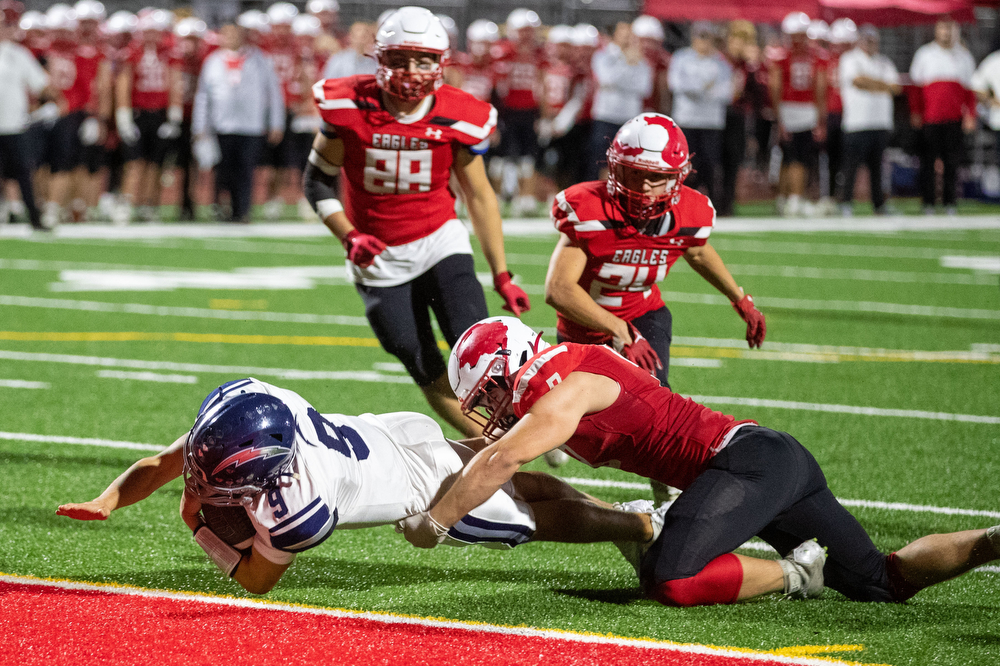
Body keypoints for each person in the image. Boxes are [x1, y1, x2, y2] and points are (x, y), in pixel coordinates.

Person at [402, 316, 1000, 608]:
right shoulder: (561, 378)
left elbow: (503, 460)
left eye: (493, 394)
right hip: (763, 462)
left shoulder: (567, 388)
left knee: (670, 578)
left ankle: (798, 576)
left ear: (512, 369)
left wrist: (434, 523)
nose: (494, 410)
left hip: (747, 465)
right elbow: (506, 458)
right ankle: (994, 540)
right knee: (881, 583)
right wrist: (429, 463)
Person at [57, 378, 660, 595]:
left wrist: (198, 527)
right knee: (510, 476)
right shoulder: (251, 411)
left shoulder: (303, 506)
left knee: (526, 519)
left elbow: (256, 581)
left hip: (421, 484)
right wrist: (108, 498)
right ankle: (627, 512)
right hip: (394, 431)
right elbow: (166, 463)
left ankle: (637, 524)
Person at [303, 7, 530, 440]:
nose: (411, 71)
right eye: (400, 58)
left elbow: (479, 196)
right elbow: (317, 182)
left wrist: (502, 273)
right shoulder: (349, 103)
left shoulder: (458, 113)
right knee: (417, 356)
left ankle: (526, 428)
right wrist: (348, 235)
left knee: (479, 351)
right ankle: (495, 446)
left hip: (439, 240)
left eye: (423, 60)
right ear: (379, 58)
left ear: (441, 63)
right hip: (377, 254)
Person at [544, 112, 764, 496]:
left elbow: (697, 252)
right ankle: (559, 436)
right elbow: (559, 290)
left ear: (678, 177)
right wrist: (618, 331)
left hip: (645, 314)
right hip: (585, 325)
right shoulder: (590, 210)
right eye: (633, 173)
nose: (644, 186)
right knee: (573, 414)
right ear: (615, 169)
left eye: (656, 177)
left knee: (654, 398)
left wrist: (740, 298)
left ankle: (667, 485)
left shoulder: (687, 214)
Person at [192, 21, 284, 223]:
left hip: (251, 125)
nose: (231, 38)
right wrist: (200, 126)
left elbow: (274, 93)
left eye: (235, 34)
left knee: (246, 169)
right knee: (223, 169)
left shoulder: (261, 60)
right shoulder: (213, 61)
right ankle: (221, 207)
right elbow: (203, 97)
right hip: (222, 125)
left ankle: (242, 210)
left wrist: (276, 123)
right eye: (227, 34)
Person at [909, 18, 976, 216]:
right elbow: (915, 89)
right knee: (928, 162)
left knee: (952, 162)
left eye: (950, 29)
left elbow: (970, 91)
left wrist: (970, 115)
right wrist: (916, 112)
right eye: (943, 28)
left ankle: (950, 202)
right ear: (937, 31)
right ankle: (928, 202)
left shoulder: (964, 56)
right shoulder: (925, 54)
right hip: (931, 118)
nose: (946, 33)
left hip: (954, 118)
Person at [768, 12, 827, 218]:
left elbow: (774, 87)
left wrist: (778, 115)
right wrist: (821, 117)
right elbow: (820, 87)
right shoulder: (816, 56)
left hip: (788, 108)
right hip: (802, 109)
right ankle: (794, 199)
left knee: (788, 156)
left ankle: (784, 199)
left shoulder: (781, 55)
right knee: (799, 158)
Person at [668, 21, 733, 204]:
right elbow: (676, 84)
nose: (703, 41)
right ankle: (681, 201)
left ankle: (709, 202)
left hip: (711, 122)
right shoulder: (681, 58)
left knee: (710, 165)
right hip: (686, 120)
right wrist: (705, 88)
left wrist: (696, 88)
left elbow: (726, 92)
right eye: (700, 37)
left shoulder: (721, 62)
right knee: (684, 165)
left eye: (706, 37)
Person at [837, 25, 900, 216]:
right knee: (851, 166)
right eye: (867, 40)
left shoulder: (884, 61)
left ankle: (879, 204)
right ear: (860, 41)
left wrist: (872, 84)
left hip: (880, 122)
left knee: (877, 168)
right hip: (857, 122)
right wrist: (882, 85)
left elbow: (896, 88)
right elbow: (858, 81)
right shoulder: (850, 59)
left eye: (874, 41)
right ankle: (846, 202)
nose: (871, 44)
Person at [0, 4, 52, 230]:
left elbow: (42, 84)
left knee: (24, 172)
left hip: (15, 124)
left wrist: (52, 104)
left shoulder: (18, 53)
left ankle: (34, 217)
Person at [586, 22, 652, 181]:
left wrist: (620, 79)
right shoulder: (602, 56)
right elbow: (606, 79)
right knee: (602, 160)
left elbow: (644, 88)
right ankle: (602, 197)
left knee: (627, 161)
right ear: (615, 34)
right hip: (605, 116)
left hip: (629, 119)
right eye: (624, 33)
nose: (627, 37)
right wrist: (627, 65)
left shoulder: (642, 61)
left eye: (630, 33)